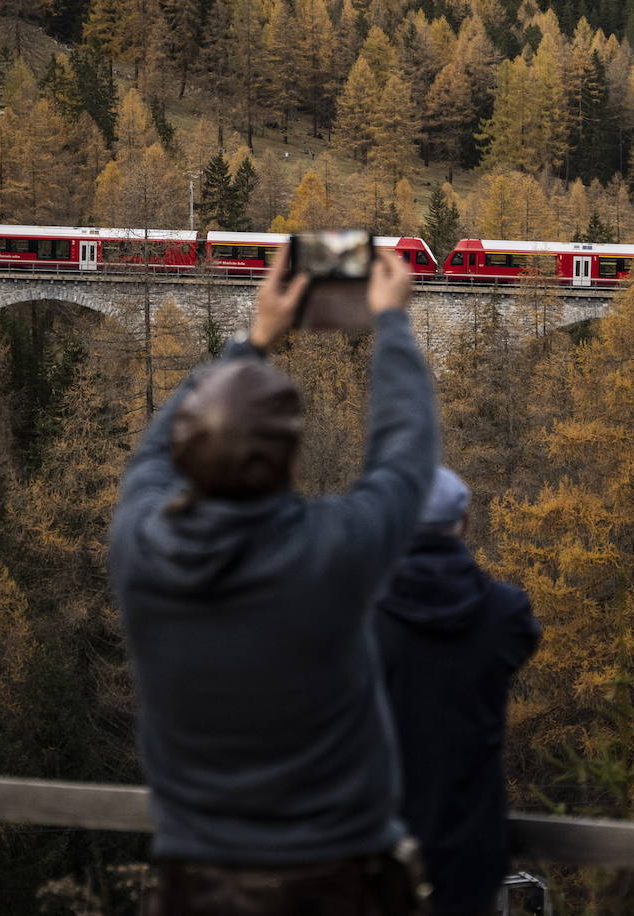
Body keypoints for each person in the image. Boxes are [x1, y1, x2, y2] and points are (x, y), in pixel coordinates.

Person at [109, 247, 439, 915]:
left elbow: (153, 451)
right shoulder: (328, 552)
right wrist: (393, 326)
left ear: (185, 449)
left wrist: (252, 340)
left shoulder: (139, 545)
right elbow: (405, 455)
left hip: (191, 881)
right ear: (292, 453)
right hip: (336, 882)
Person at [375, 468, 542, 916]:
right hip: (470, 842)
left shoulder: (358, 613)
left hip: (373, 837)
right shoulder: (506, 613)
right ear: (465, 521)